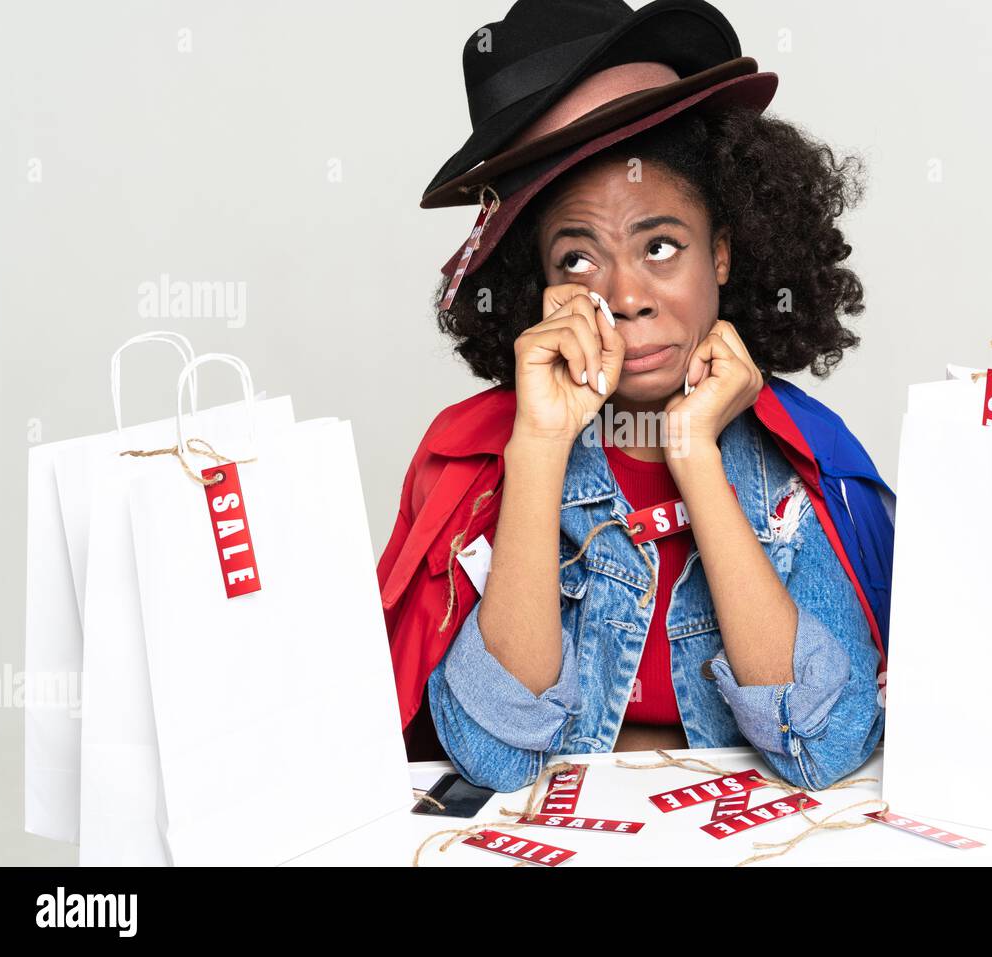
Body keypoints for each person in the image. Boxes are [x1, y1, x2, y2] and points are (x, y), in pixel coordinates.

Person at [378, 0, 895, 794]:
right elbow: (494, 755)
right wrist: (541, 448)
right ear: (539, 288)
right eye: (579, 260)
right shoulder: (489, 465)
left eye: (661, 247)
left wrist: (695, 459)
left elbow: (824, 745)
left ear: (721, 253)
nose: (626, 295)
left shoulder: (800, 463)